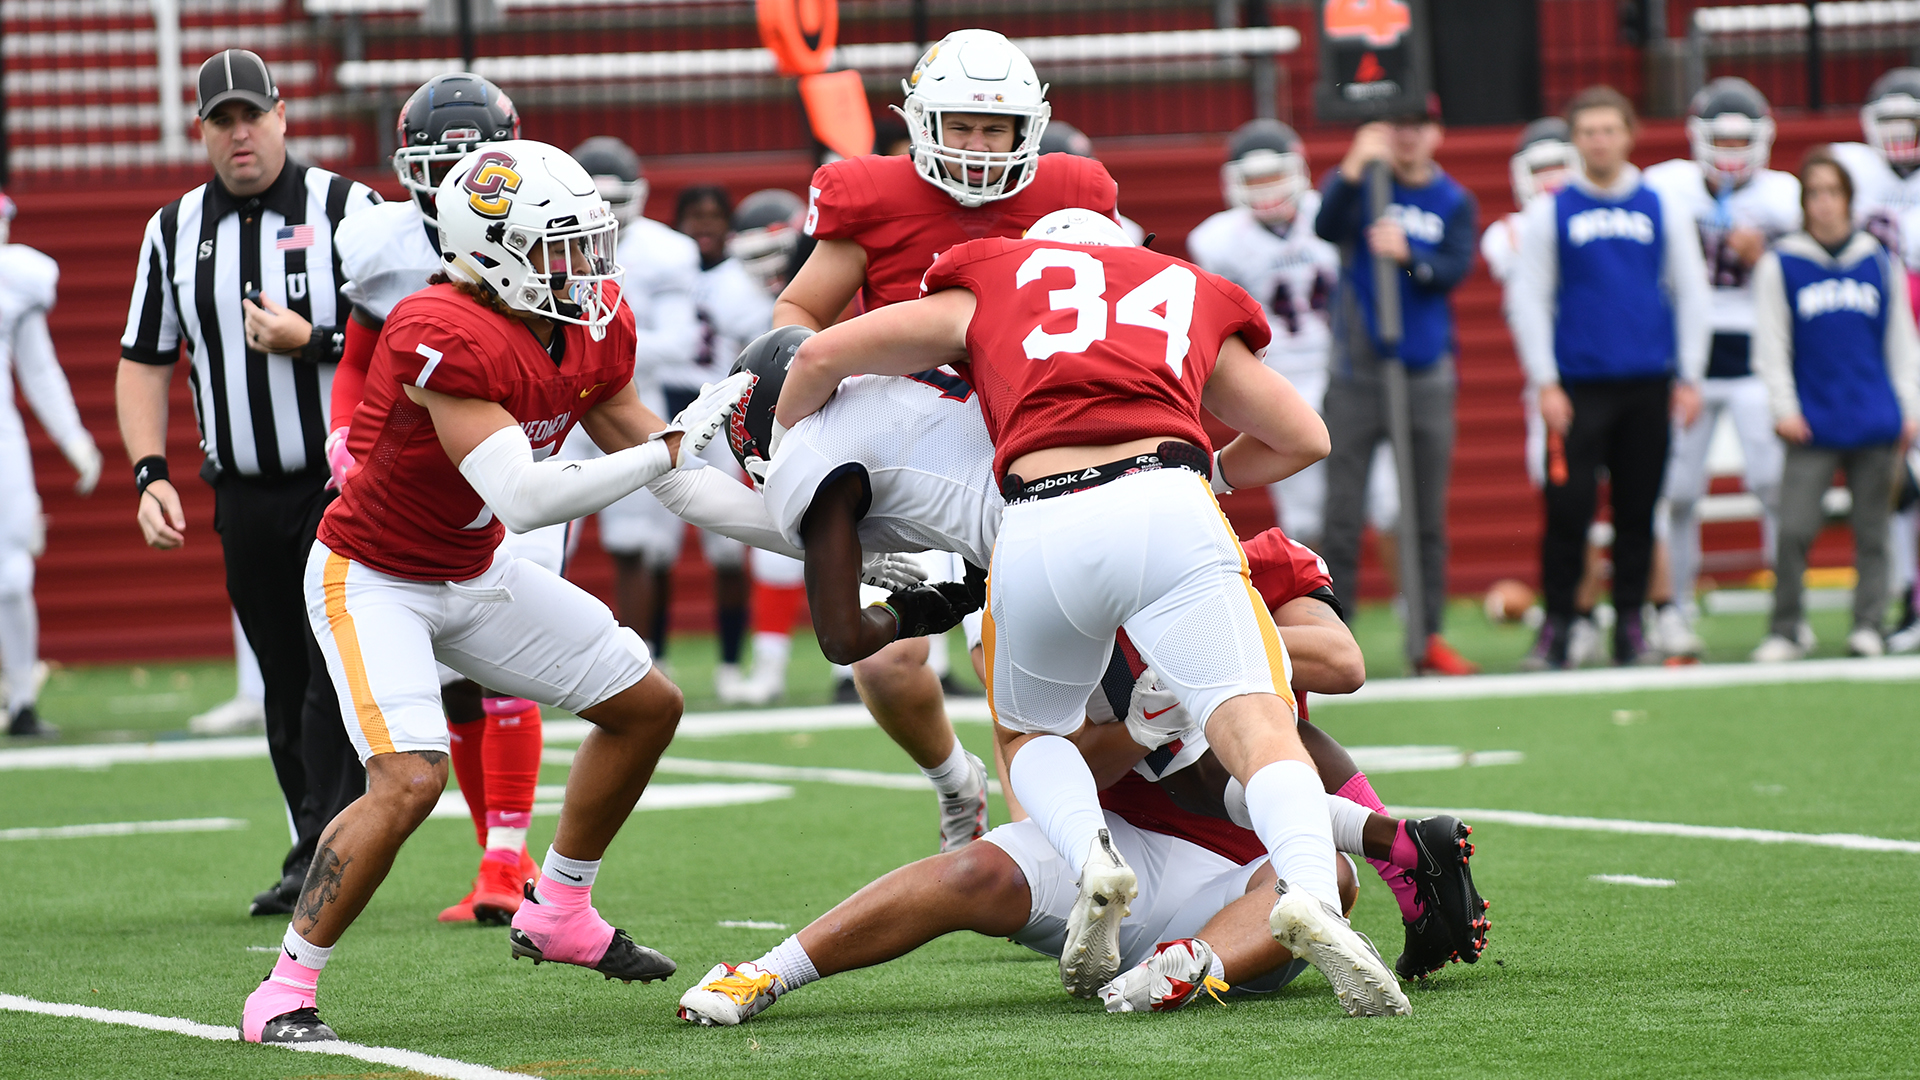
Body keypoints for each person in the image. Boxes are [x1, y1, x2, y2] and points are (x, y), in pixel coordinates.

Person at [775, 207, 1409, 1016]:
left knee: (1029, 736)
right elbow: (1303, 437)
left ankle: (1091, 860)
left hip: (1035, 519)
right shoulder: (1182, 286)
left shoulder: (995, 281)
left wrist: (795, 434)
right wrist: (1207, 473)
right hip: (1165, 497)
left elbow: (824, 350)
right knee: (1257, 724)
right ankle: (1313, 892)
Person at [238, 139, 754, 1044]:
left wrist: (799, 531)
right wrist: (670, 445)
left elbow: (674, 477)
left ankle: (558, 907)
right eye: (562, 247)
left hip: (473, 569)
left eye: (589, 244)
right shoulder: (440, 327)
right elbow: (525, 494)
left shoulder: (588, 327)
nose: (586, 267)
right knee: (408, 780)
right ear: (493, 252)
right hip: (375, 577)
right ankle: (281, 992)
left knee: (646, 704)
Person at [770, 28, 1119, 843]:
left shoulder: (1074, 195)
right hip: (911, 449)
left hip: (1032, 445)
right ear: (921, 121)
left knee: (1024, 672)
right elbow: (799, 313)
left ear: (1025, 130)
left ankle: (1053, 852)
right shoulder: (871, 195)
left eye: (992, 129)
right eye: (959, 125)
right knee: (886, 660)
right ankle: (952, 780)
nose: (974, 145)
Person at [115, 49, 377, 915]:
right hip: (246, 491)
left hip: (340, 481)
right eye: (221, 120)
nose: (239, 133)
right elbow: (144, 361)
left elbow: (409, 332)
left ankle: (327, 852)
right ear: (201, 130)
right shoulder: (174, 228)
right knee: (278, 671)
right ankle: (317, 839)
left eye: (250, 115)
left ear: (282, 116)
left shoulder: (349, 209)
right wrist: (149, 471)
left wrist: (318, 340)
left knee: (325, 669)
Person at [329, 71, 550, 925]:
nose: (456, 173)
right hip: (419, 485)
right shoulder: (381, 242)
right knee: (456, 680)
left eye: (474, 156)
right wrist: (346, 431)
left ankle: (508, 860)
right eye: (439, 159)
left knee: (507, 669)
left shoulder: (541, 218)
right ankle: (493, 856)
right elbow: (358, 352)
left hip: (515, 467)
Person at [1509, 86, 1711, 668]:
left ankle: (1631, 624)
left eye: (1609, 129)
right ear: (1575, 141)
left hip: (1647, 384)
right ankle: (1561, 625)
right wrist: (1545, 382)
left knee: (1637, 510)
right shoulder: (1552, 211)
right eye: (1588, 131)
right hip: (1577, 389)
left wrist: (1690, 375)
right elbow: (1532, 301)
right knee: (1568, 510)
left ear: (1628, 134)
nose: (1599, 140)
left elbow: (1691, 291)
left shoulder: (1660, 205)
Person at [1313, 95, 1480, 676]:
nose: (1406, 138)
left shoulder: (1453, 199)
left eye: (1418, 127)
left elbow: (1453, 270)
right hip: (1357, 373)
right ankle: (1334, 634)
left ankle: (1427, 634)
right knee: (1342, 510)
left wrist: (1412, 256)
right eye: (1397, 127)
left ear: (1435, 133)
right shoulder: (1362, 186)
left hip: (1425, 371)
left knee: (1425, 515)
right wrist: (1354, 167)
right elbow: (1326, 226)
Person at [1645, 78, 1800, 659]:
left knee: (1773, 483)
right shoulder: (1667, 186)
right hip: (1689, 358)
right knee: (1679, 490)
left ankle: (1790, 610)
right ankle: (1675, 607)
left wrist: (1770, 260)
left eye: (1742, 139)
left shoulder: (1785, 195)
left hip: (1758, 359)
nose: (1731, 150)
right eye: (1722, 138)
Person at [1189, 120, 1395, 557]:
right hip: (1277, 377)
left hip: (1340, 368)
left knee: (1386, 501)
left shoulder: (1329, 217)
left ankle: (1404, 607)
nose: (1265, 189)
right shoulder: (1218, 240)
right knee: (1304, 515)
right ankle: (1318, 601)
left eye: (1273, 176)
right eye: (1254, 179)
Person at [1751, 149, 1920, 661]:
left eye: (1833, 192)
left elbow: (1900, 341)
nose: (1824, 203)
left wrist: (1909, 408)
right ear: (1804, 202)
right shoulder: (1782, 263)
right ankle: (1786, 628)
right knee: (1796, 529)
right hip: (1813, 421)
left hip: (1873, 416)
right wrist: (1784, 407)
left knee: (1874, 532)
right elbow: (1771, 344)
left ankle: (1867, 624)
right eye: (1815, 193)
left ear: (1848, 198)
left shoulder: (1876, 257)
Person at [558, 138, 704, 673]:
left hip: (627, 396)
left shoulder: (667, 251)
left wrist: (602, 352)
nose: (604, 214)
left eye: (613, 200)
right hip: (559, 401)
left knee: (636, 540)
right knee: (542, 535)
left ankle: (640, 659)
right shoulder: (550, 243)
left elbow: (682, 341)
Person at [0, 191, 103, 737]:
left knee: (14, 576)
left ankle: (20, 702)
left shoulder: (14, 280)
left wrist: (75, 440)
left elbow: (39, 373)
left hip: (2, 443)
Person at [671, 185, 771, 702]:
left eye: (714, 216)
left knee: (730, 549)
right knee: (646, 548)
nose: (703, 226)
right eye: (694, 215)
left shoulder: (739, 280)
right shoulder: (664, 265)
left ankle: (732, 662)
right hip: (659, 406)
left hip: (721, 412)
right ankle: (653, 657)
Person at [1832, 69, 1920, 650]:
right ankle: (1911, 592)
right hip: (1882, 341)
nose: (1899, 136)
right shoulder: (1850, 170)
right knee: (1899, 482)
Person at [724, 189, 811, 704]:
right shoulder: (727, 297)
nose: (767, 268)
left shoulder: (833, 274)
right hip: (760, 427)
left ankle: (857, 669)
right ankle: (771, 668)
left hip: (837, 418)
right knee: (772, 553)